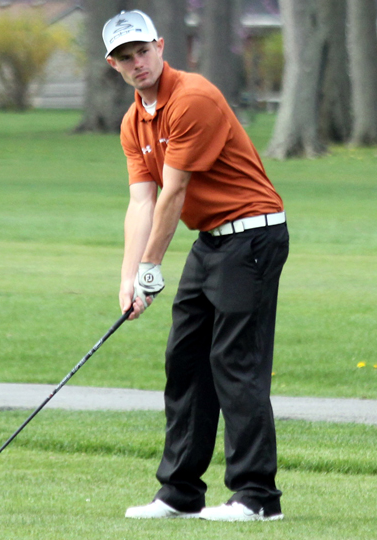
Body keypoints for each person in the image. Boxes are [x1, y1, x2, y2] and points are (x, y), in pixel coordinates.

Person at [103, 10, 289, 522]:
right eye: (124, 56)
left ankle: (256, 498)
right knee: (185, 362)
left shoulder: (194, 98)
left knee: (235, 364)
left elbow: (175, 191)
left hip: (253, 233)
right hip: (211, 240)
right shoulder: (133, 122)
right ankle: (181, 492)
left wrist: (151, 267)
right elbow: (142, 202)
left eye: (142, 50)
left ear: (161, 46)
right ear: (113, 65)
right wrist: (129, 279)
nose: (136, 62)